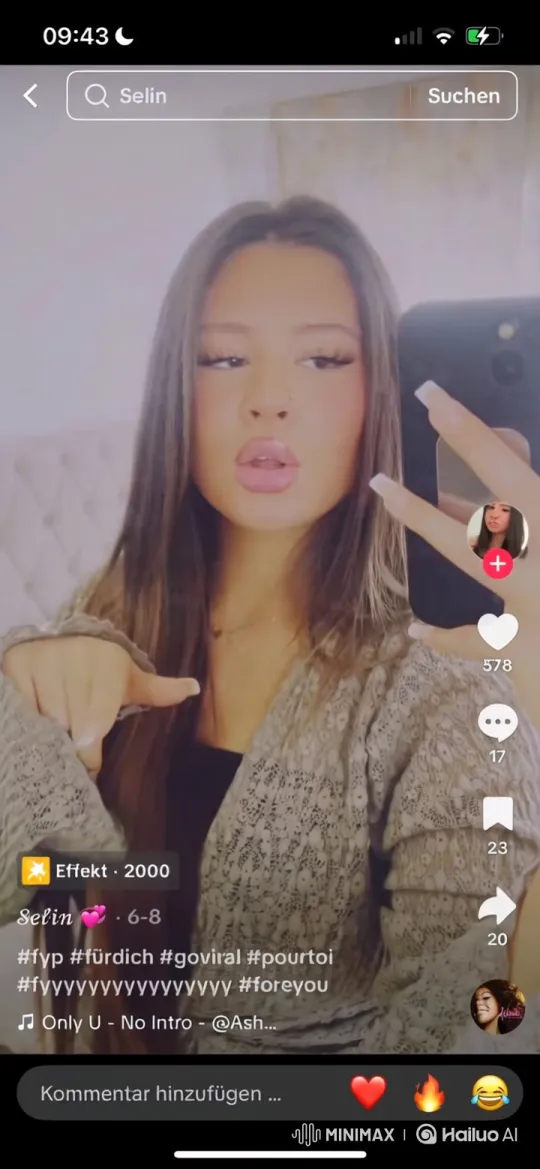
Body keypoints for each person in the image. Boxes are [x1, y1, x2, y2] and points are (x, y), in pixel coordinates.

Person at [1, 196, 540, 1058]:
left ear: (382, 395)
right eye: (222, 357)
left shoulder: (438, 678)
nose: (270, 401)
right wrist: (22, 696)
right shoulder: (111, 604)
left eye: (324, 357)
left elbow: (459, 1004)